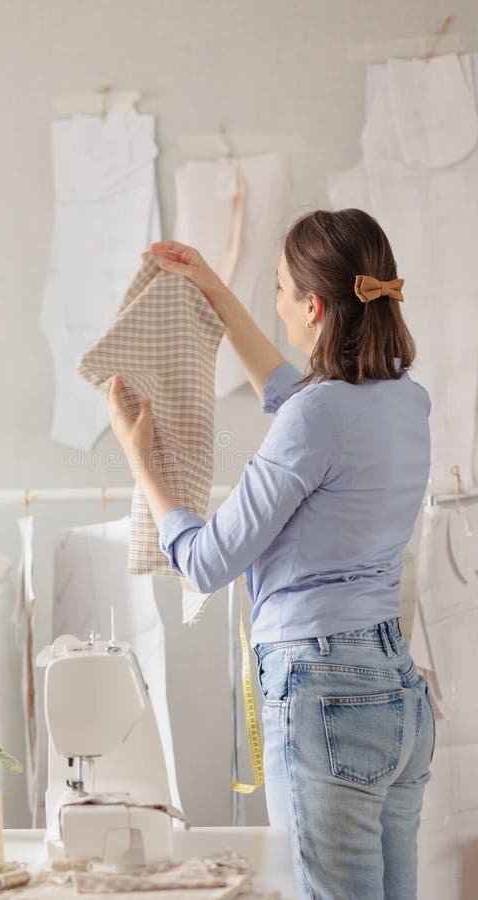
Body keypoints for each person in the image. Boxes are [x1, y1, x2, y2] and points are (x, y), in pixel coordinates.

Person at [107, 208, 435, 900]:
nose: (277, 304)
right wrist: (211, 288)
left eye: (282, 291)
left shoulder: (317, 419)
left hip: (326, 693)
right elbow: (291, 394)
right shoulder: (404, 400)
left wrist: (143, 465)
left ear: (314, 307)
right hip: (396, 695)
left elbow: (205, 561)